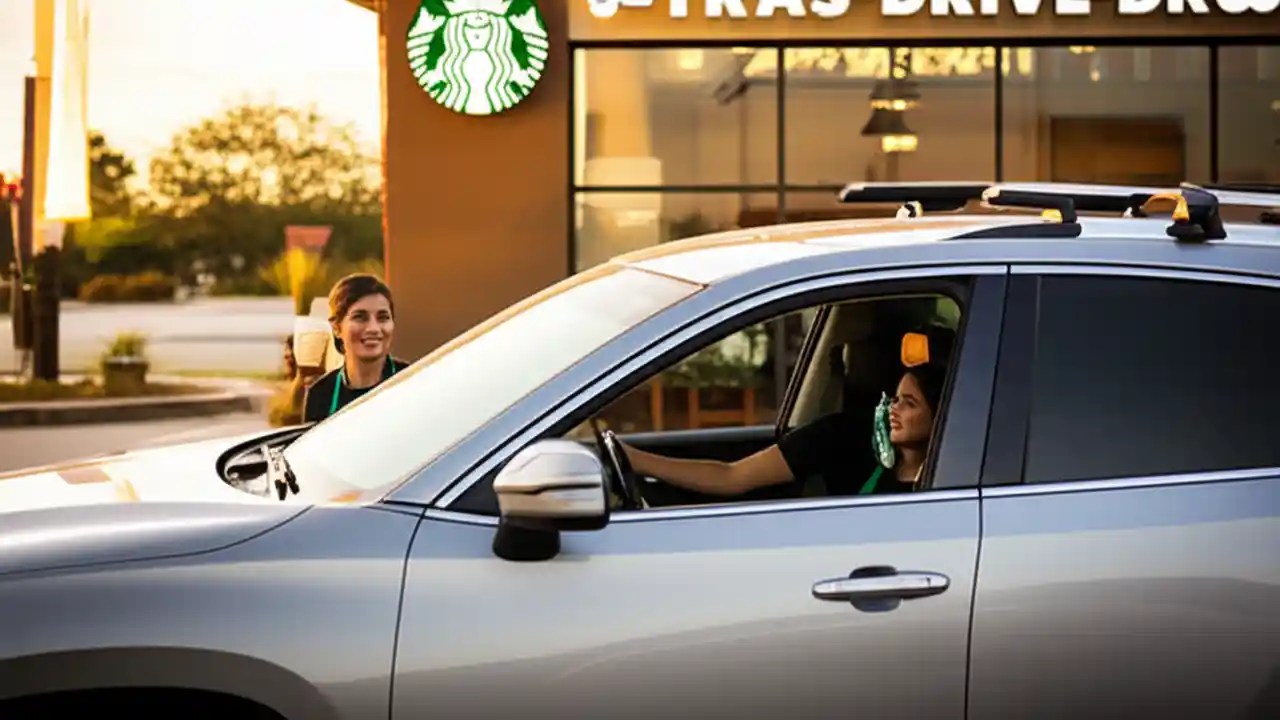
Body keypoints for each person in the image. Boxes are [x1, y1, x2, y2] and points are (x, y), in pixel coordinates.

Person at [620, 327, 952, 499]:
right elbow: (731, 476)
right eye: (894, 399)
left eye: (909, 404)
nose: (894, 409)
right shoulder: (845, 440)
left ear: (942, 417)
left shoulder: (956, 478)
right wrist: (636, 460)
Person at [301, 273, 407, 423]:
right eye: (360, 317)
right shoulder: (321, 395)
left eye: (383, 317)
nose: (373, 328)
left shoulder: (411, 383)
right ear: (336, 327)